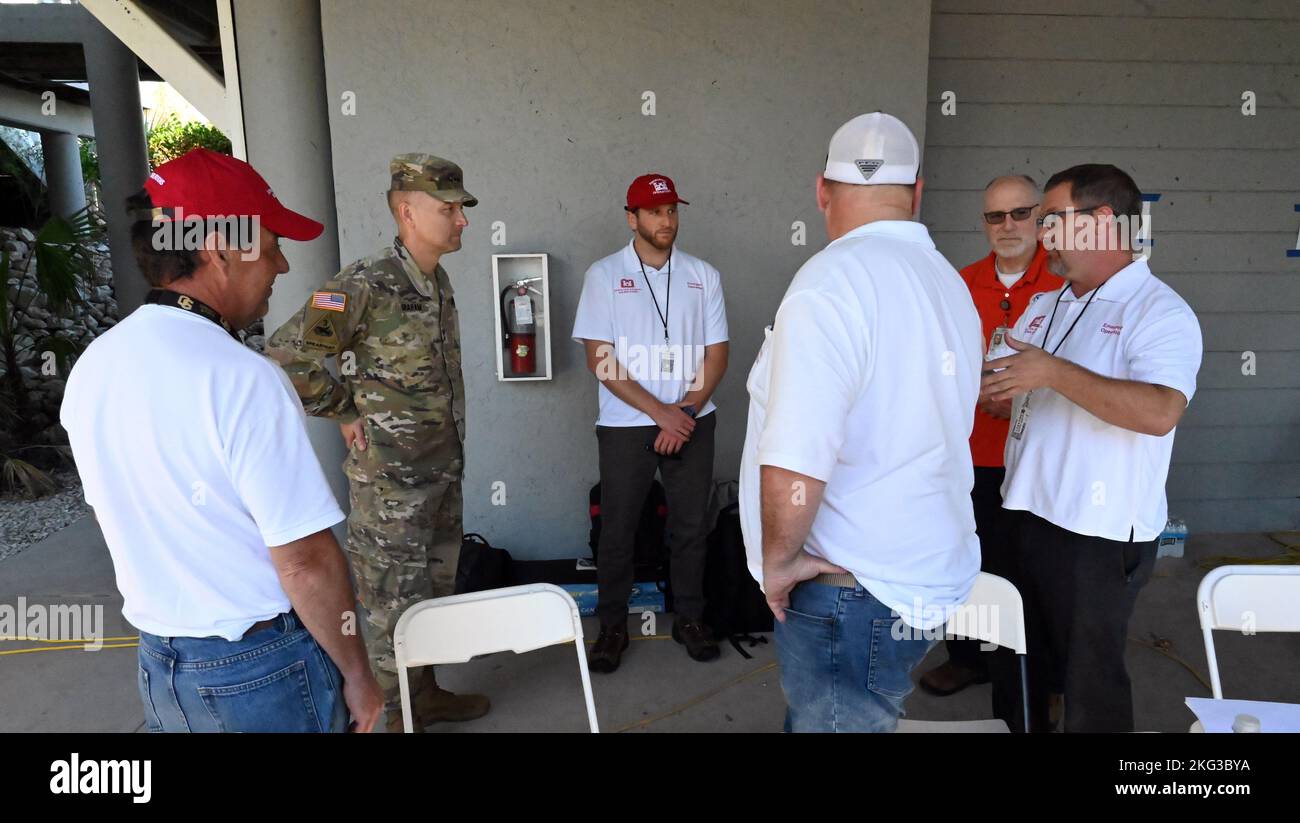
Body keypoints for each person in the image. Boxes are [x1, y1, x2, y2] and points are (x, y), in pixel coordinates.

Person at [61, 147, 383, 732]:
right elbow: (305, 561)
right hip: (263, 672)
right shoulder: (243, 377)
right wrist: (360, 676)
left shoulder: (94, 367)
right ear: (219, 250)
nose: (281, 266)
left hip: (162, 665)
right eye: (271, 245)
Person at [739, 113, 983, 732]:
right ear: (918, 191)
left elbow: (798, 456)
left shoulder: (829, 284)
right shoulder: (950, 285)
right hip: (918, 574)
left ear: (822, 189)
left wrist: (779, 562)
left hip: (849, 586)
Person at [267, 154, 487, 732]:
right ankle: (393, 717)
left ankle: (426, 696)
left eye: (462, 208)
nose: (462, 219)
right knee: (391, 607)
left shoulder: (434, 280)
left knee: (432, 598)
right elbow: (287, 356)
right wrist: (340, 408)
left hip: (440, 474)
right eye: (450, 208)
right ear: (407, 211)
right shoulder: (365, 284)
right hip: (390, 485)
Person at [982, 163, 1202, 732]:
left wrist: (1052, 372)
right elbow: (1014, 392)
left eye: (1051, 219)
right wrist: (996, 392)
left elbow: (1158, 412)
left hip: (1096, 533)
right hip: (1025, 509)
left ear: (1103, 220)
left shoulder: (1159, 311)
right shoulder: (1049, 303)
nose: (1041, 233)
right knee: (1022, 656)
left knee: (1089, 681)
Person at [572, 173, 730, 673]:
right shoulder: (604, 274)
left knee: (690, 528)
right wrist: (660, 412)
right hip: (626, 425)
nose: (667, 220)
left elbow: (717, 354)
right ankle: (612, 627)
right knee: (617, 531)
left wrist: (683, 411)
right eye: (656, 211)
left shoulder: (703, 274)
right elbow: (600, 356)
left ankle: (690, 619)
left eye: (672, 210)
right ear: (632, 218)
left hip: (692, 421)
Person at [919, 174, 1062, 715]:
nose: (1007, 227)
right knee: (968, 559)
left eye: (1020, 214)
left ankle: (1038, 676)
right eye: (995, 217)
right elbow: (937, 360)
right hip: (969, 454)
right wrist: (979, 391)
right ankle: (969, 657)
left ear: (1042, 218)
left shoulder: (1064, 284)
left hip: (1036, 458)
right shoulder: (961, 282)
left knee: (1032, 573)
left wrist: (1023, 394)